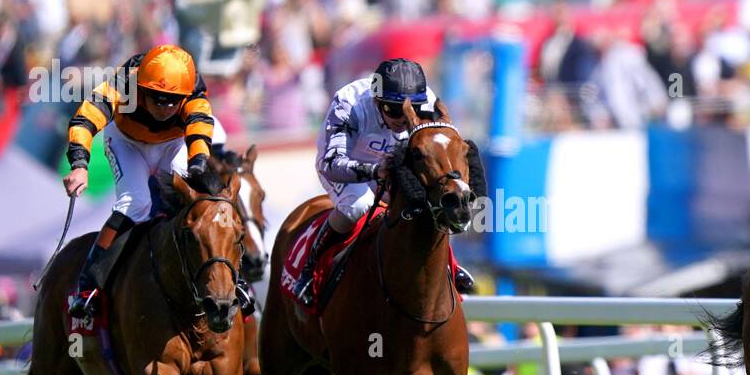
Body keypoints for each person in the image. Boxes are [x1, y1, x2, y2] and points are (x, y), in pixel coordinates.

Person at [63, 43, 252, 319]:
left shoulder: (194, 91)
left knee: (198, 204)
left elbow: (200, 127)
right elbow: (85, 118)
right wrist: (80, 165)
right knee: (136, 201)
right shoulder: (124, 82)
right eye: (156, 97)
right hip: (126, 141)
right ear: (140, 88)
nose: (164, 107)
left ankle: (235, 279)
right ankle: (88, 285)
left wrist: (198, 164)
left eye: (172, 100)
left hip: (172, 144)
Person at [290, 58, 475, 307]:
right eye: (393, 109)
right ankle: (310, 268)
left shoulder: (428, 103)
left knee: (433, 200)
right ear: (376, 101)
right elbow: (330, 163)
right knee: (359, 206)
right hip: (346, 165)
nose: (403, 118)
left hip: (392, 166)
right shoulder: (349, 102)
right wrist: (375, 171)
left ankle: (449, 265)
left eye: (412, 109)